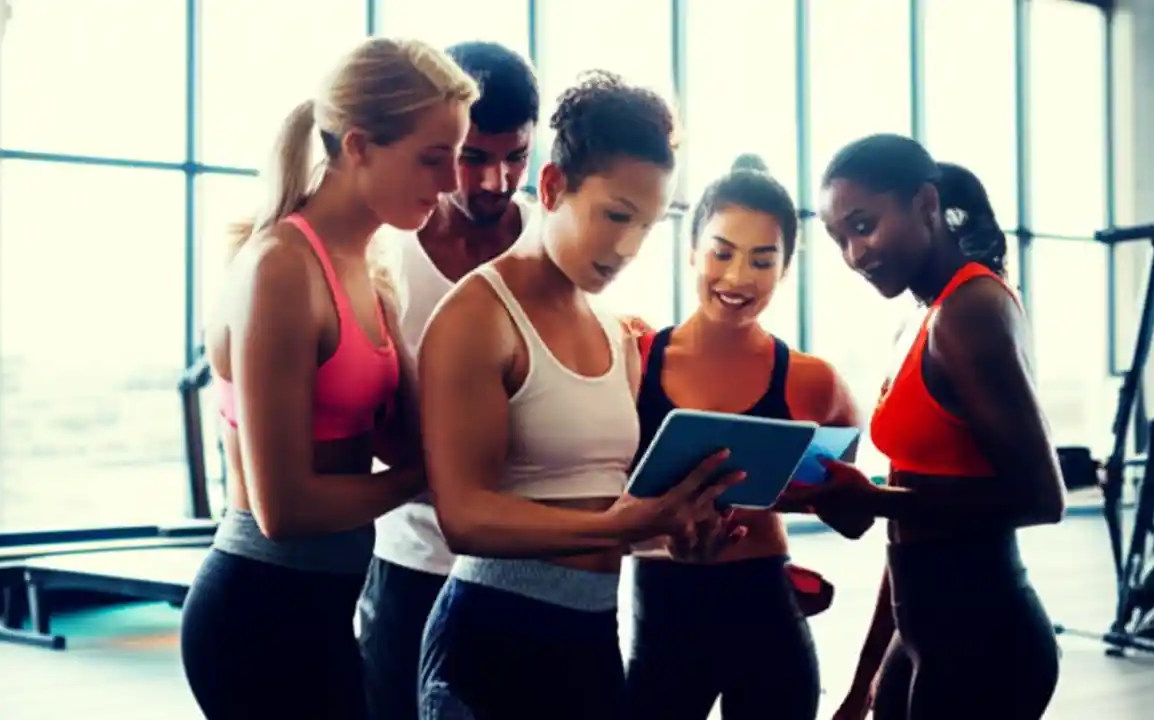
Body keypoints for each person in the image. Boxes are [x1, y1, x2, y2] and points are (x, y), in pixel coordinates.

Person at [415, 70, 743, 720]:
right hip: (492, 638)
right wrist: (613, 527)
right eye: (616, 216)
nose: (627, 247)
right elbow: (464, 517)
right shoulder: (476, 317)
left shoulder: (615, 335)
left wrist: (669, 535)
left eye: (646, 226)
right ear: (553, 187)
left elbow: (598, 499)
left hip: (590, 638)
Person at [179, 37, 478, 720]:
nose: (453, 181)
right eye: (434, 157)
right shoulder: (281, 268)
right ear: (360, 146)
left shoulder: (369, 267)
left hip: (323, 609)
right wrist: (423, 479)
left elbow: (409, 438)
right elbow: (284, 511)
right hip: (256, 613)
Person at [809, 133, 1065, 720]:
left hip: (986, 639)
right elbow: (905, 529)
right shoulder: (921, 319)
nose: (854, 253)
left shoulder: (970, 309)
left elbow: (1041, 496)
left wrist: (874, 501)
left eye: (864, 225)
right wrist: (865, 677)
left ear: (926, 205)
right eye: (839, 238)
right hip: (923, 628)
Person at [621, 155, 862, 720]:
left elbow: (853, 520)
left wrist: (818, 492)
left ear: (784, 269)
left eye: (761, 260)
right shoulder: (633, 360)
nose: (736, 277)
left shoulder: (814, 381)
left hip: (763, 612)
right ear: (691, 249)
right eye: (722, 252)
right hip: (662, 612)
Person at [356, 40, 540, 720]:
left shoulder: (553, 246)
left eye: (515, 157)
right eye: (474, 157)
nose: (496, 181)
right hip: (415, 559)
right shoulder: (387, 253)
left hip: (529, 563)